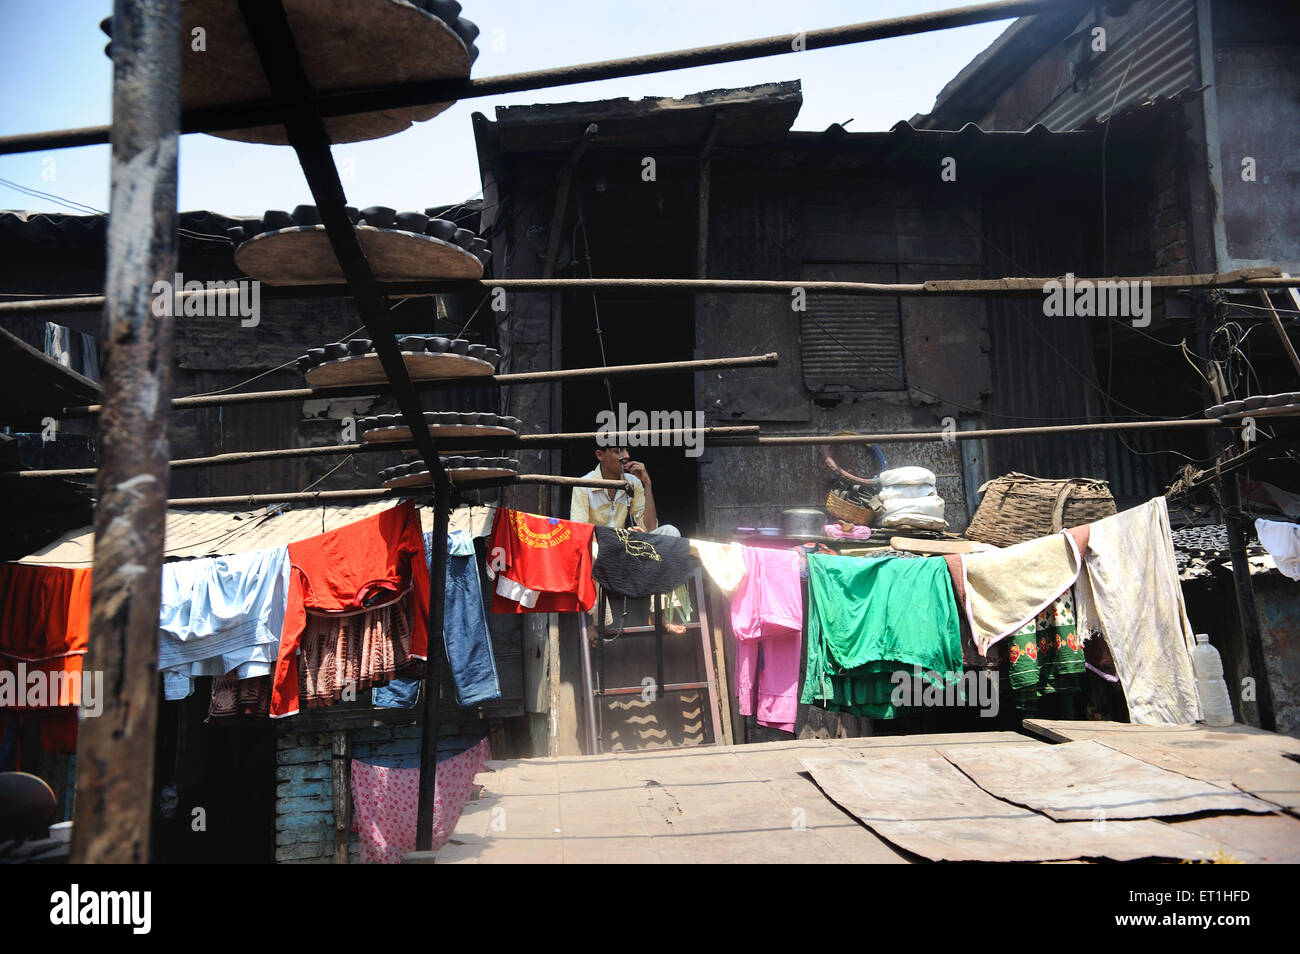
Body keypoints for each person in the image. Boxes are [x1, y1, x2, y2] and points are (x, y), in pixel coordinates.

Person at [570, 444, 691, 633]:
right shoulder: (583, 485)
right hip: (601, 553)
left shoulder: (633, 482)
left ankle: (658, 615)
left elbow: (651, 528)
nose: (625, 456)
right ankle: (598, 623)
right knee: (589, 550)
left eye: (626, 450)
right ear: (600, 455)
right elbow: (579, 534)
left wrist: (647, 484)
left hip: (625, 549)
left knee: (671, 534)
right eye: (618, 451)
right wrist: (612, 539)